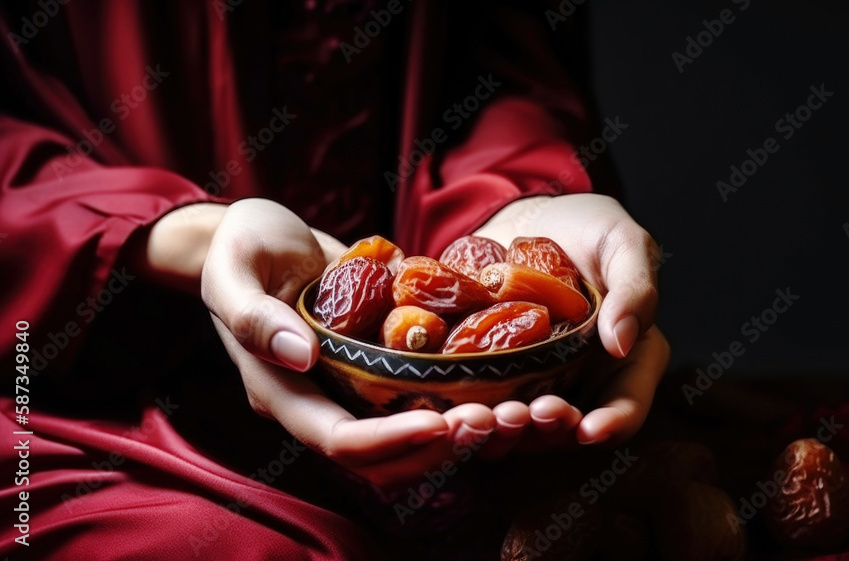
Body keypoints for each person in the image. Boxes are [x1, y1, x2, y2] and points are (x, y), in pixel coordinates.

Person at [0, 1, 668, 557]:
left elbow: (503, 62)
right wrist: (191, 238)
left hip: (458, 409)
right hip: (76, 374)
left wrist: (526, 202)